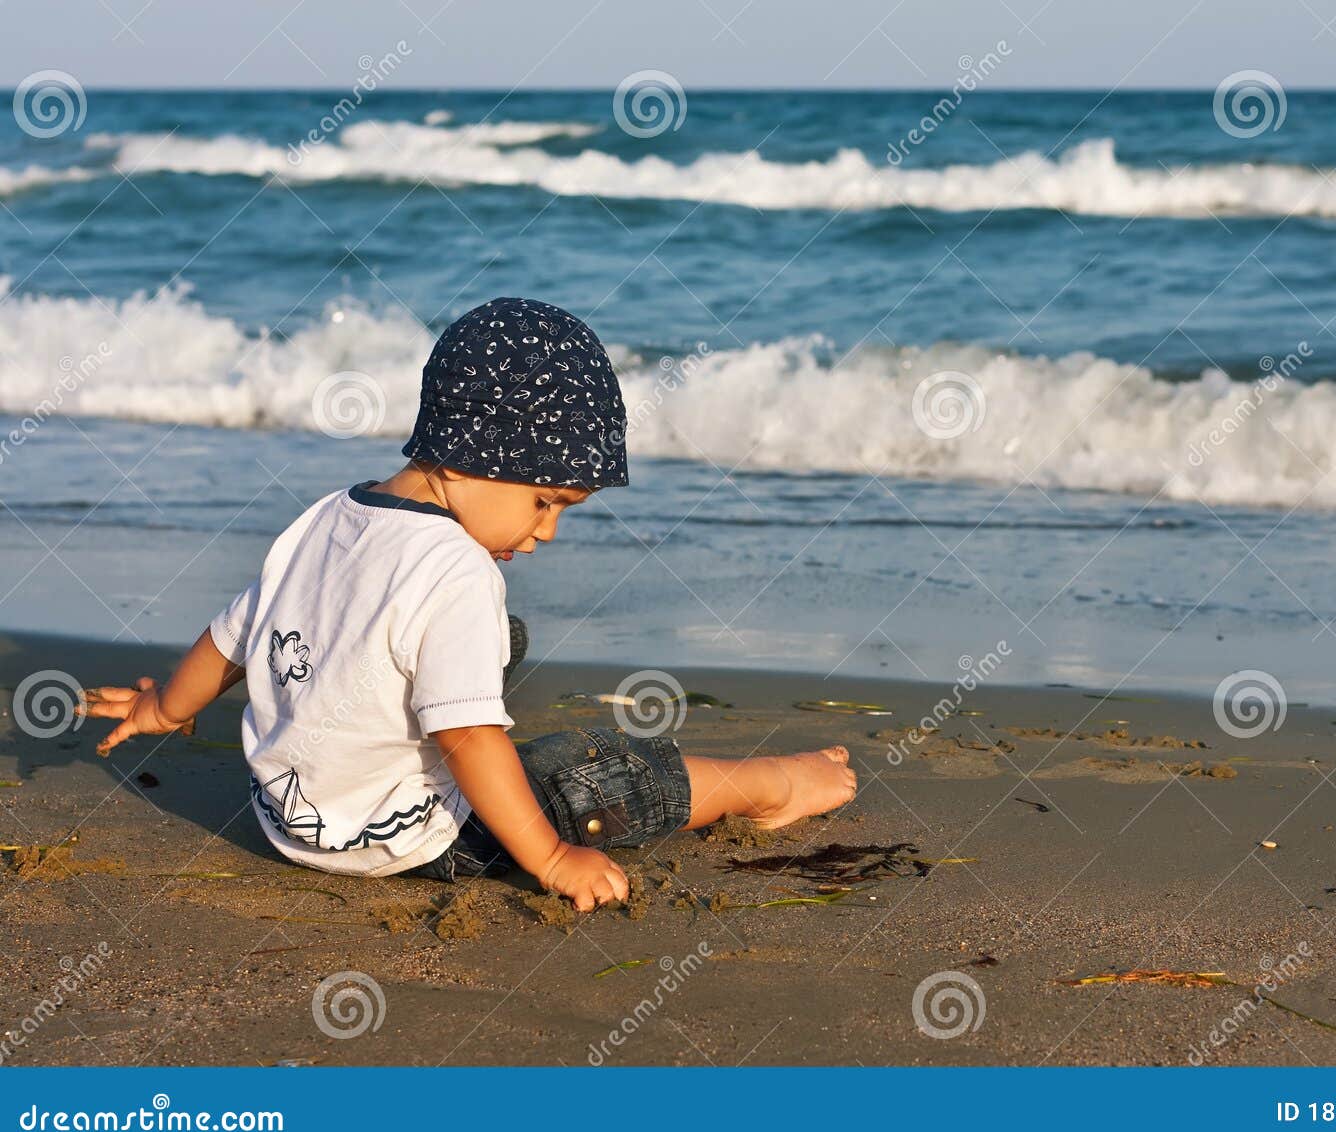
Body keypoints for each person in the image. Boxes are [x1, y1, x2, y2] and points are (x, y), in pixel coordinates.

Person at [78, 298, 856, 911]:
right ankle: (771, 784)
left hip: (283, 821)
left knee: (496, 640)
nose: (547, 531)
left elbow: (234, 638)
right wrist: (551, 857)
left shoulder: (327, 515)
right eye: (546, 501)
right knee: (601, 773)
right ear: (480, 456)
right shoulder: (455, 569)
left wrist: (162, 709)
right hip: (402, 841)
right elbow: (470, 738)